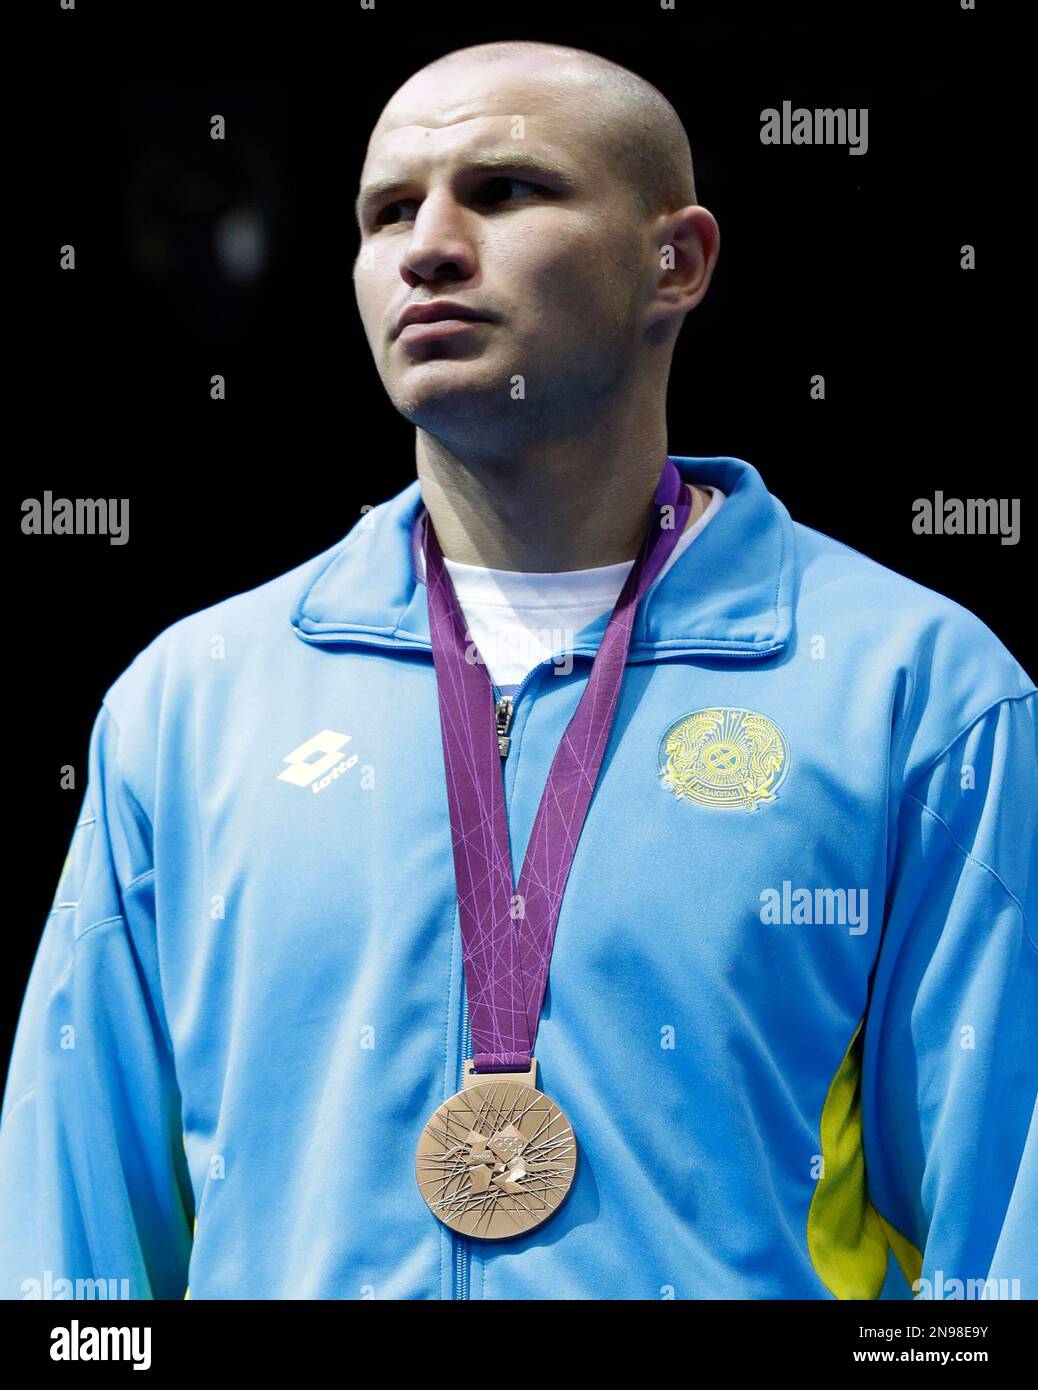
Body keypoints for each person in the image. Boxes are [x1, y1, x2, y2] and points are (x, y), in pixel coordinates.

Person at [1, 39, 1034, 1302]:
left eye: (504, 192)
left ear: (679, 261)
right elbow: (78, 1262)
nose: (427, 246)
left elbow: (996, 1257)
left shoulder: (915, 692)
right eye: (388, 212)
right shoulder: (192, 697)